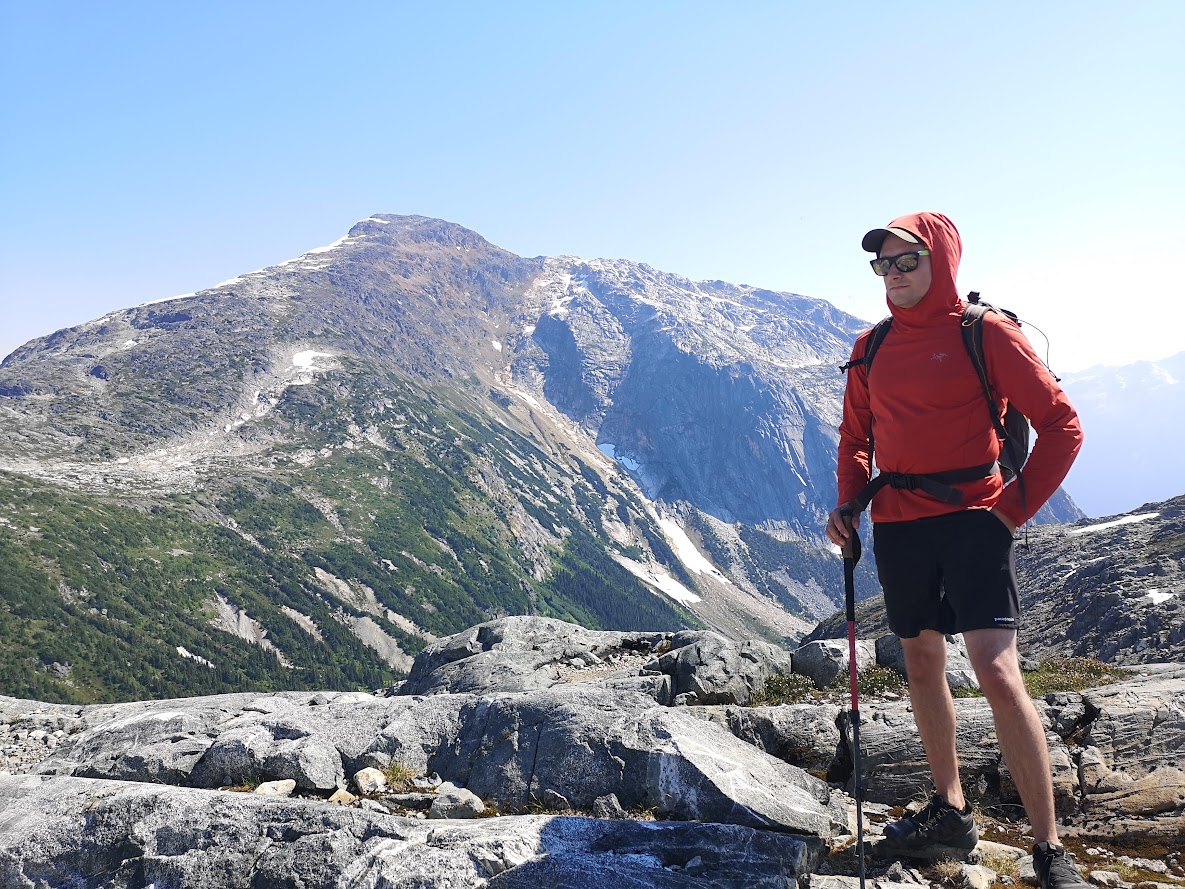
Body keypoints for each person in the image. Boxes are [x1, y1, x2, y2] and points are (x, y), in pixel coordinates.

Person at [825, 212, 1087, 889]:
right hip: (899, 525)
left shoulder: (985, 333)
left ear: (940, 259)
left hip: (975, 521)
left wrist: (1009, 513)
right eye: (883, 264)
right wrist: (849, 504)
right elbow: (855, 438)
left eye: (907, 260)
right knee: (920, 662)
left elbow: (1062, 424)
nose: (893, 273)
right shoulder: (871, 346)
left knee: (996, 672)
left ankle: (1049, 849)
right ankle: (950, 811)